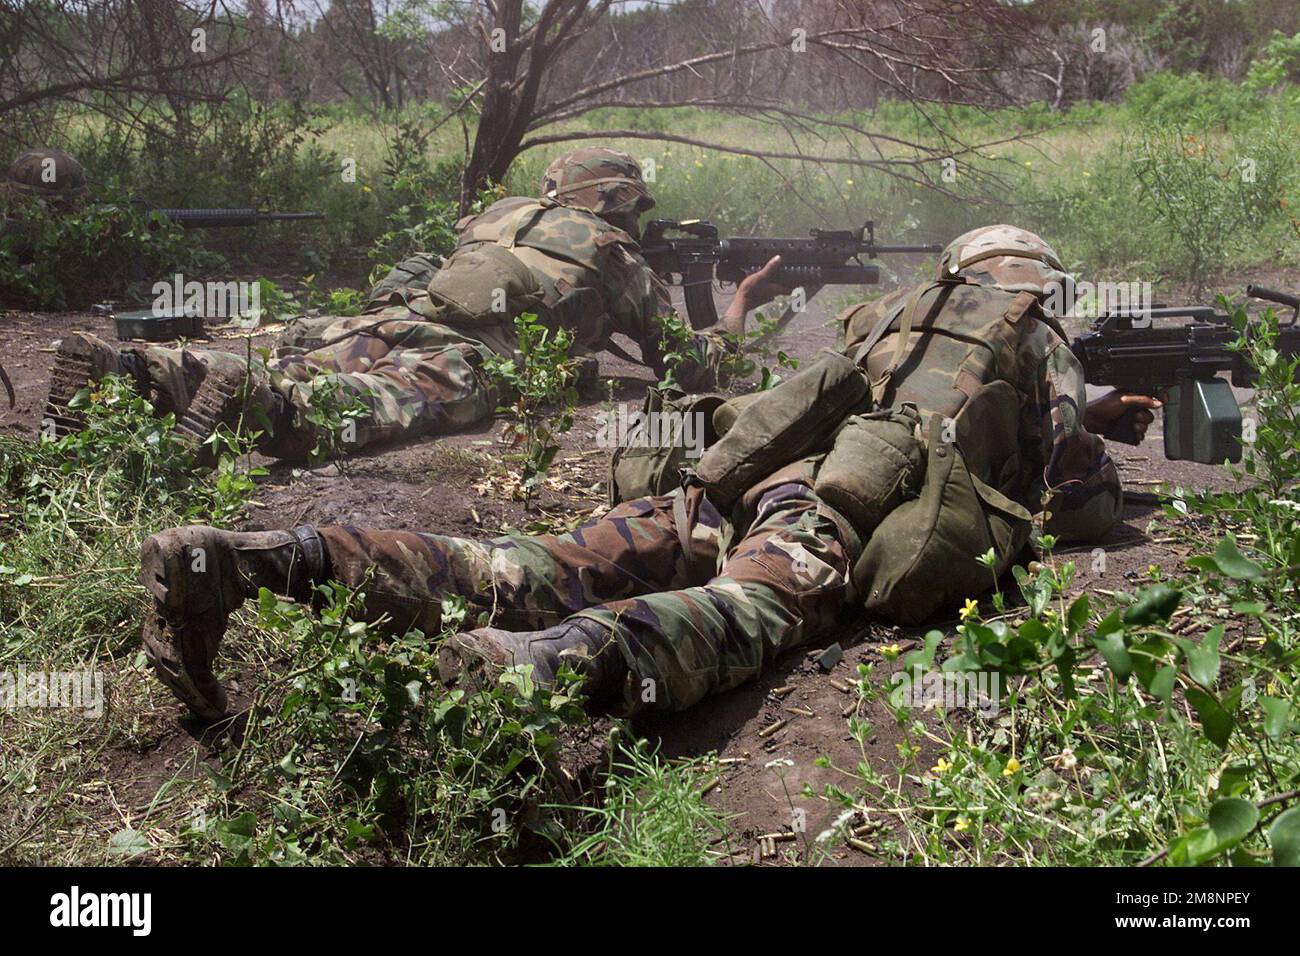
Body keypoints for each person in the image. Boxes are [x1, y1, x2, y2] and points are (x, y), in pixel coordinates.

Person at [138, 224, 1160, 721]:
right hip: (826, 516)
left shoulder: (894, 307)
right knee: (743, 613)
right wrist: (1103, 439)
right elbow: (1074, 498)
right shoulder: (1037, 331)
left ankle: (256, 558)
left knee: (524, 560)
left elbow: (878, 392)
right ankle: (535, 668)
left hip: (742, 478)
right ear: (1040, 278)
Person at [44, 147, 786, 461]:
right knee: (344, 411)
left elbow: (419, 271)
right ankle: (258, 402)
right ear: (619, 203)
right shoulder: (618, 257)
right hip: (466, 355)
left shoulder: (501, 215)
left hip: (391, 319)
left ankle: (144, 366)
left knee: (297, 363)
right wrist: (739, 306)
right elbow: (696, 375)